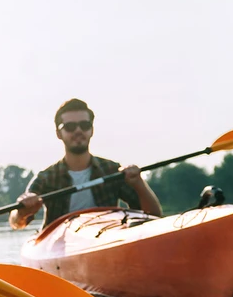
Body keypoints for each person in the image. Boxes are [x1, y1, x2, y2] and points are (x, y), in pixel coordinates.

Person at [9, 98, 162, 231]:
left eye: (84, 125)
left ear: (92, 130)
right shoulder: (46, 177)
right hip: (59, 247)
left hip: (106, 237)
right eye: (70, 127)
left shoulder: (111, 170)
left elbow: (154, 215)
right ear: (58, 133)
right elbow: (16, 223)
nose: (78, 131)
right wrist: (23, 211)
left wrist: (138, 183)